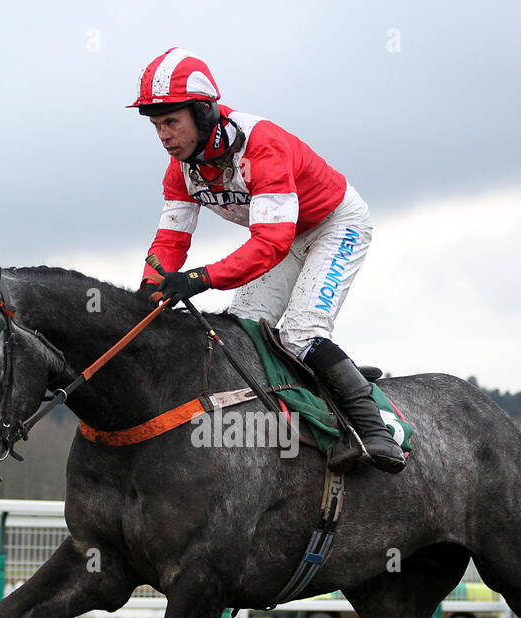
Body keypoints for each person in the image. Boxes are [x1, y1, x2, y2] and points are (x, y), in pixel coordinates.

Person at [129, 47, 404, 474]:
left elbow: (271, 244)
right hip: (283, 236)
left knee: (299, 332)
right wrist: (150, 289)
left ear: (203, 114)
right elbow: (170, 240)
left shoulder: (262, 146)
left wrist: (201, 279)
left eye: (171, 122)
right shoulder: (179, 168)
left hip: (334, 226)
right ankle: (322, 382)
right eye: (156, 125)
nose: (164, 135)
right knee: (246, 332)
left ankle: (375, 431)